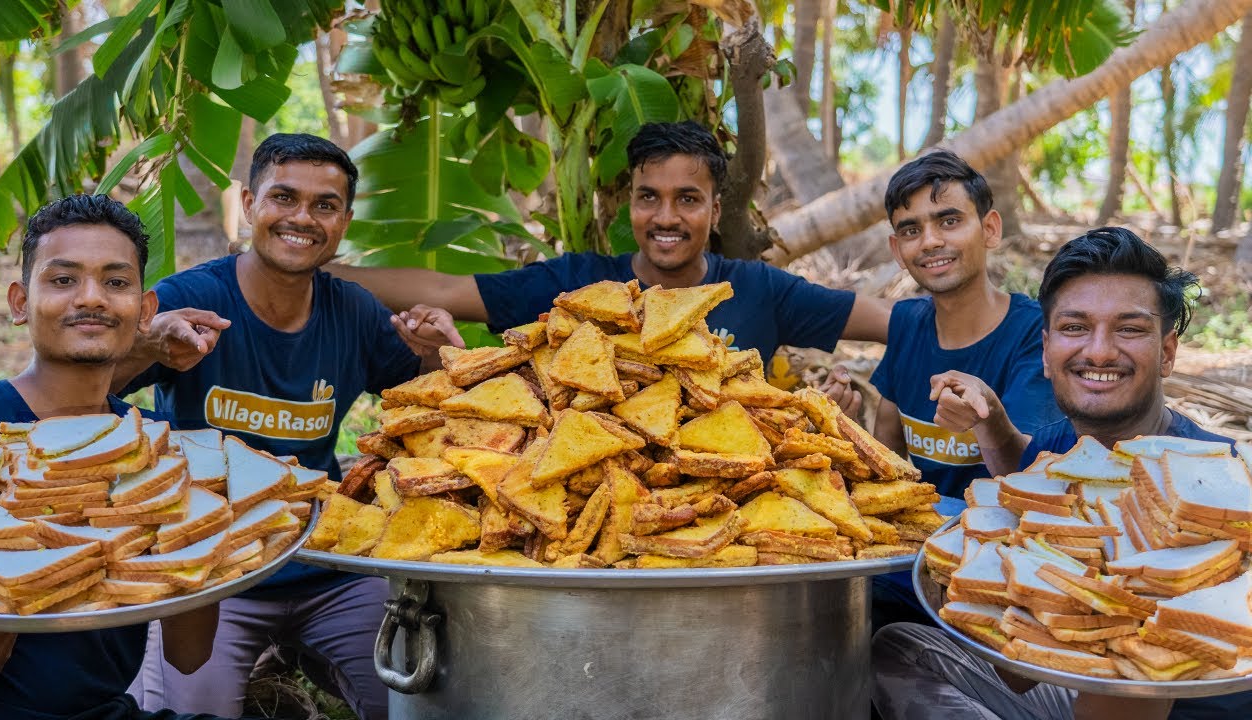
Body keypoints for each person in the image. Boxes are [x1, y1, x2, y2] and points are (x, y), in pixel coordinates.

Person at [115, 134, 435, 720]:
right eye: (283, 197)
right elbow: (90, 391)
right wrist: (146, 346)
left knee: (421, 701)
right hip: (209, 576)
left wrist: (437, 355)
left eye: (324, 205)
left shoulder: (354, 310)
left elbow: (426, 406)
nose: (302, 218)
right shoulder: (192, 297)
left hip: (330, 569)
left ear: (344, 221)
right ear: (248, 203)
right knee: (189, 715)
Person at [871, 228, 1249, 720]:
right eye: (1075, 327)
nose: (1098, 351)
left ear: (1168, 353)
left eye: (1130, 329)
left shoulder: (1216, 489)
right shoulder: (1060, 450)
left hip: (1158, 703)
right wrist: (994, 423)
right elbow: (1027, 471)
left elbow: (1102, 687)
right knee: (898, 646)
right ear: (1046, 351)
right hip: (1071, 691)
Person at [329, 120, 889, 398]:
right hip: (598, 524)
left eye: (687, 200)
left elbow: (894, 322)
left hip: (730, 523)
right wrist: (316, 269)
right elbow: (445, 290)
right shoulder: (577, 282)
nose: (666, 217)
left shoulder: (762, 290)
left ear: (715, 212)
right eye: (650, 198)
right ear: (631, 205)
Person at [0, 194, 230, 720]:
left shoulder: (157, 450)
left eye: (116, 283)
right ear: (20, 303)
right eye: (63, 280)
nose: (92, 298)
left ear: (145, 310)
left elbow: (188, 655)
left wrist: (203, 529)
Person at [832, 150, 1060, 628]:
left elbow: (1031, 482)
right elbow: (887, 465)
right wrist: (843, 428)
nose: (930, 241)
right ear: (898, 250)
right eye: (912, 230)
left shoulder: (1033, 335)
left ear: (990, 229)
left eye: (949, 220)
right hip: (915, 555)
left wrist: (986, 419)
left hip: (1004, 569)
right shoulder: (909, 324)